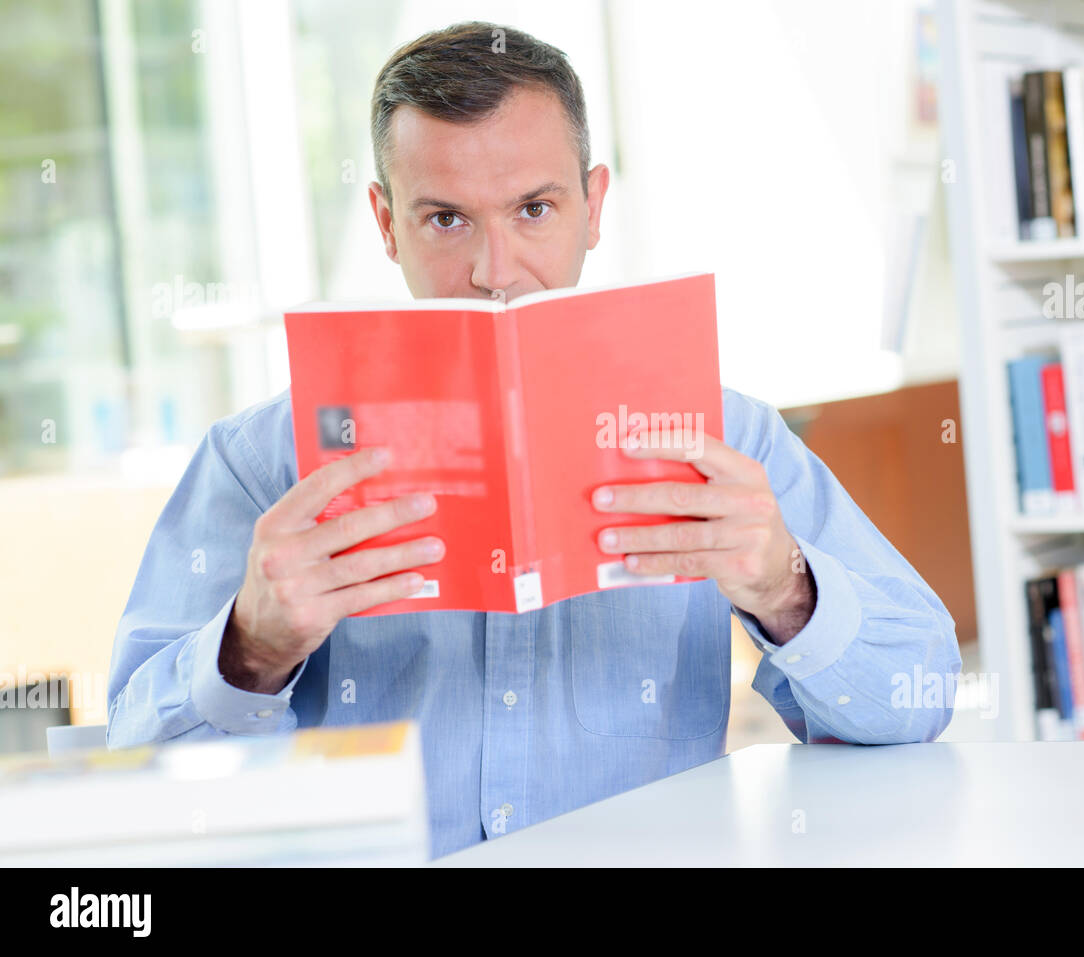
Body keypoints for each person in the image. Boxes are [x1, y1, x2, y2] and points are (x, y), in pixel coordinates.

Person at [108, 21, 962, 860]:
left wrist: (787, 590)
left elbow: (918, 699)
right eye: (446, 219)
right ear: (384, 221)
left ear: (593, 207)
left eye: (534, 208)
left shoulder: (724, 438)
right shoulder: (261, 463)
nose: (496, 270)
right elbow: (134, 778)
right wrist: (250, 645)